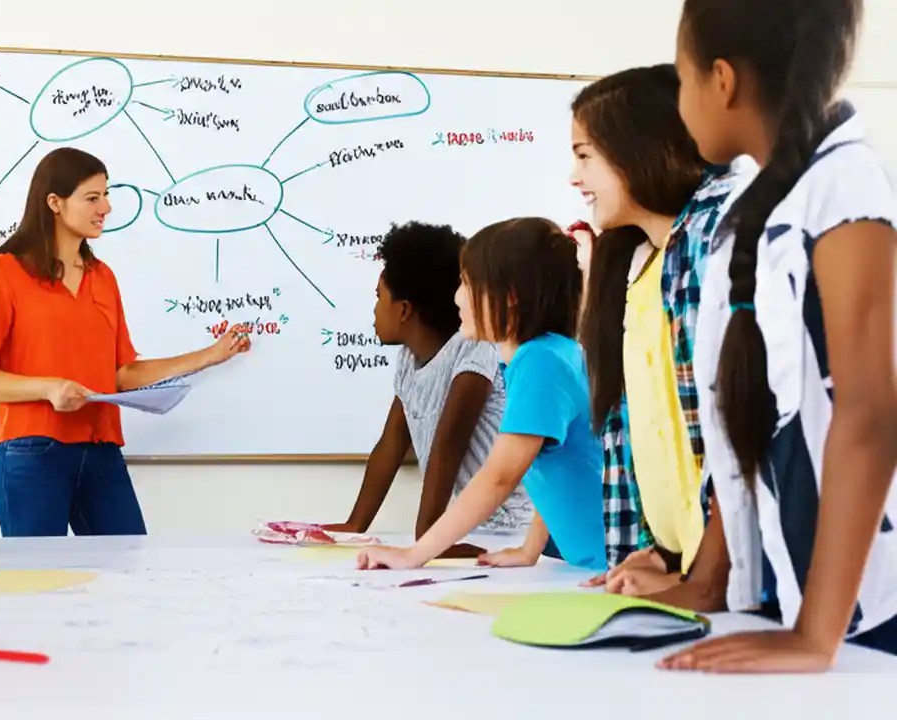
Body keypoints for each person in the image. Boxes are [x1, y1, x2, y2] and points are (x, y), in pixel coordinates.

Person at [657, 0, 897, 672]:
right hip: (806, 602)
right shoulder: (761, 204)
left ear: (722, 80)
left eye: (681, 79)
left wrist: (815, 636)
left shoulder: (845, 182)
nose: (681, 101)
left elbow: (871, 411)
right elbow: (749, 420)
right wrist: (709, 580)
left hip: (870, 617)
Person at [0, 147, 250, 537]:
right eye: (93, 197)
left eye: (106, 195)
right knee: (37, 588)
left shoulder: (102, 276)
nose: (107, 207)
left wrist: (210, 355)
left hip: (100, 453)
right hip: (31, 454)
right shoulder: (4, 270)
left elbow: (123, 374)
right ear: (54, 203)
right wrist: (48, 388)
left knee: (127, 576)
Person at [568, 65, 754, 594]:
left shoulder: (712, 234)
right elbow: (651, 432)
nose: (574, 177)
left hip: (741, 582)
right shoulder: (642, 262)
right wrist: (662, 554)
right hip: (696, 571)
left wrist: (704, 579)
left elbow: (742, 424)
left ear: (639, 148)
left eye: (585, 155)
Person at [356, 217, 605, 572]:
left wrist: (414, 554)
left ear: (510, 297)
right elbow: (557, 468)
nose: (456, 297)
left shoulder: (541, 364)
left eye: (468, 284)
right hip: (589, 563)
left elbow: (499, 477)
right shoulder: (542, 357)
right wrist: (529, 552)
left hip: (610, 564)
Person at [321, 221, 531, 548]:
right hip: (465, 528)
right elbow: (390, 445)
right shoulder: (409, 359)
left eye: (379, 298)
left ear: (404, 310)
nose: (374, 311)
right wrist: (355, 525)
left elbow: (448, 446)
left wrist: (426, 539)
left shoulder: (473, 350)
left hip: (511, 533)